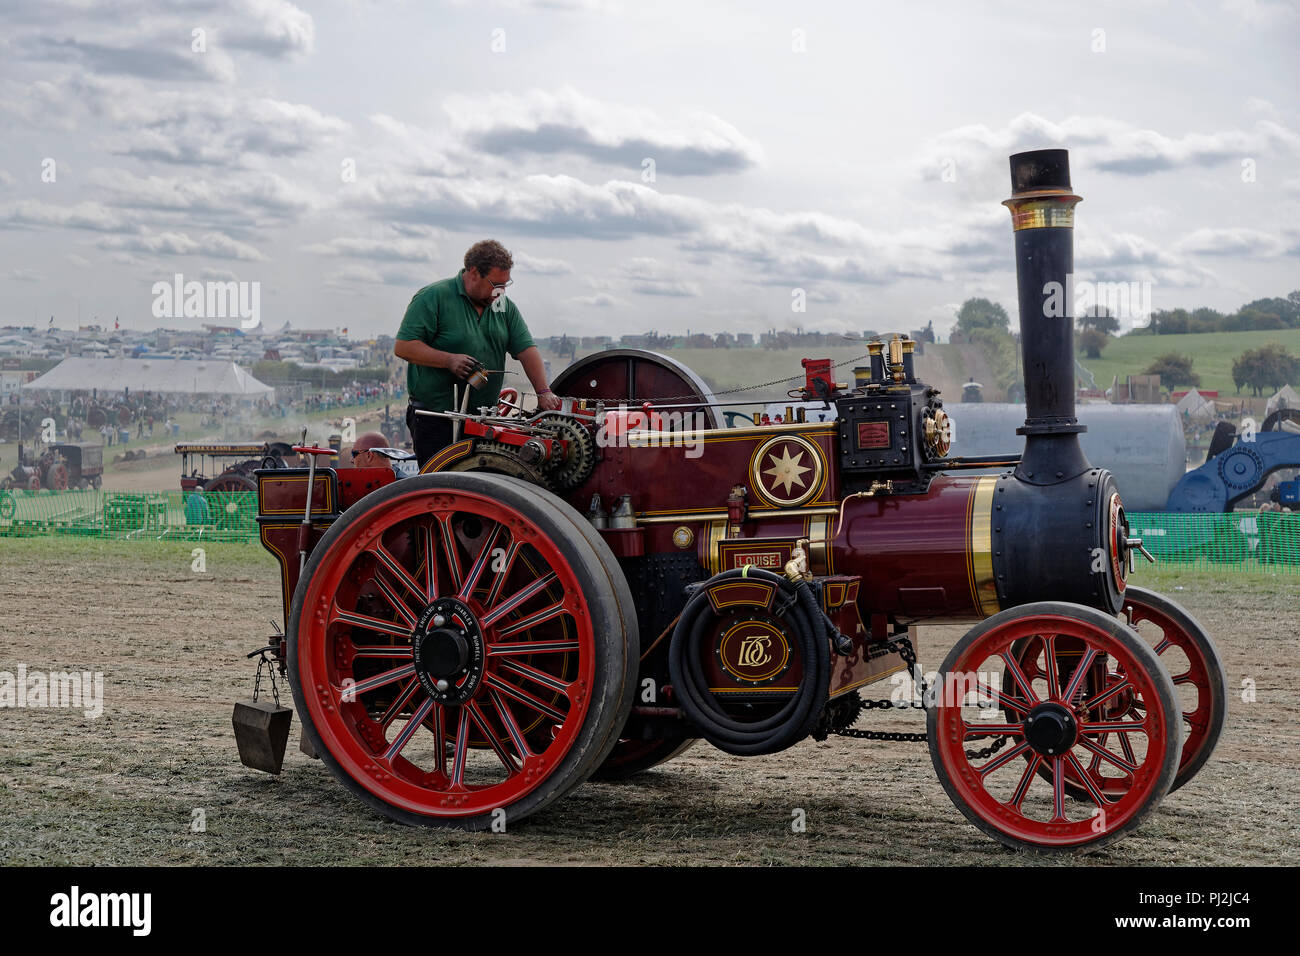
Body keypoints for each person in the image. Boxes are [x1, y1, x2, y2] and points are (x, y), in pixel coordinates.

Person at [395, 239, 561, 467]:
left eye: (505, 285)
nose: (500, 291)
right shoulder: (434, 297)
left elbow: (526, 349)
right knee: (441, 486)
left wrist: (543, 391)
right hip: (436, 418)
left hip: (483, 420)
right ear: (473, 273)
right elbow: (404, 346)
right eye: (495, 284)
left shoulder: (502, 305)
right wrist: (449, 360)